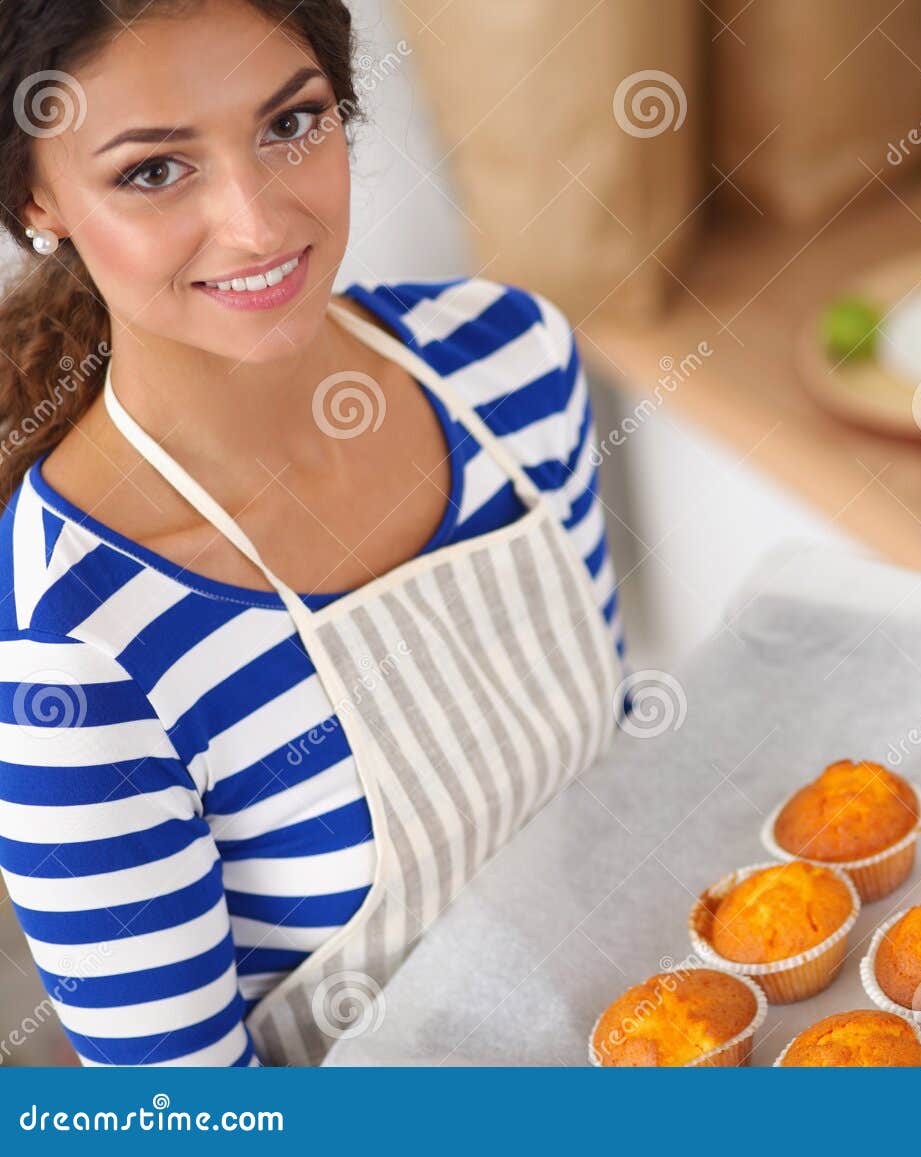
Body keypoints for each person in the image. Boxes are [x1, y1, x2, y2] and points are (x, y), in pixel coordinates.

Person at [0, 0, 630, 1066]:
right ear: (37, 200)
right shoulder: (74, 650)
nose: (256, 224)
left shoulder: (509, 363)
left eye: (289, 123)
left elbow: (618, 790)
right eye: (153, 171)